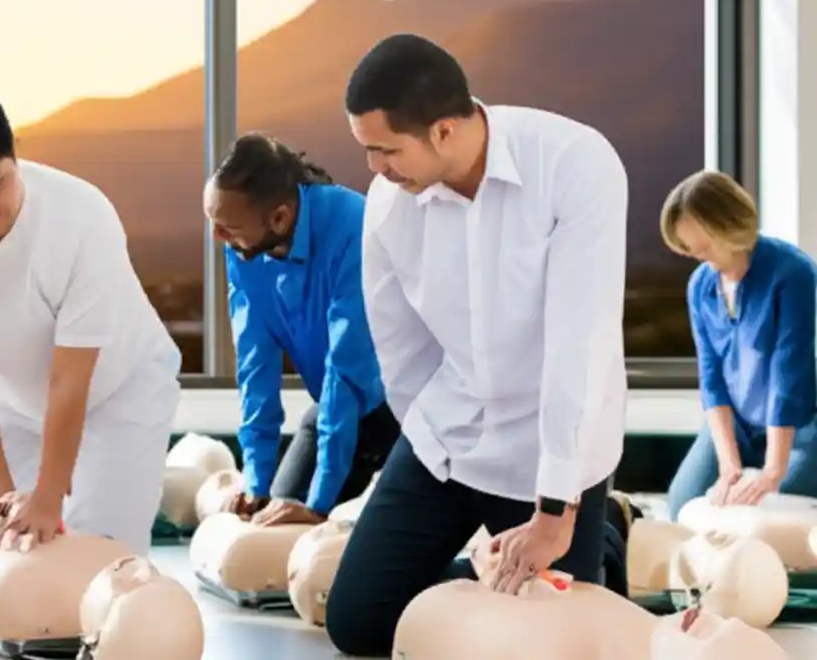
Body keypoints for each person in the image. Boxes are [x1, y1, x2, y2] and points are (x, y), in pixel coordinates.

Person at [323, 33, 629, 657]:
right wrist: (427, 440)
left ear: (442, 132)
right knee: (358, 623)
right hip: (451, 436)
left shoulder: (574, 164)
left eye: (386, 150)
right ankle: (493, 567)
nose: (374, 169)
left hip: (551, 448)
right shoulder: (390, 204)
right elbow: (401, 347)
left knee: (550, 640)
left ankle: (602, 535)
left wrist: (556, 508)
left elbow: (580, 345)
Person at [0, 85, 182, 598]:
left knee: (101, 583)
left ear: (15, 155)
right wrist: (3, 500)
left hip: (119, 393)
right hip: (9, 398)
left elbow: (71, 377)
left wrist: (49, 497)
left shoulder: (83, 215)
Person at [203, 132, 398, 527]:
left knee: (336, 531)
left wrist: (318, 505)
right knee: (271, 522)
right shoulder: (243, 245)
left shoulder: (355, 227)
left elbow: (346, 369)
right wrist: (257, 485)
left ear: (280, 217)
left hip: (409, 414)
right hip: (334, 409)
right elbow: (255, 366)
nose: (217, 237)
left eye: (227, 227)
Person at [660, 170, 817, 521]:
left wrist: (773, 471)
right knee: (683, 501)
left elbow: (788, 376)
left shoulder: (793, 272)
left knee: (772, 509)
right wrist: (728, 464)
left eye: (705, 246)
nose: (699, 257)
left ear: (730, 226)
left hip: (802, 424)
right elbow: (711, 377)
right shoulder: (700, 285)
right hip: (740, 423)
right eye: (691, 250)